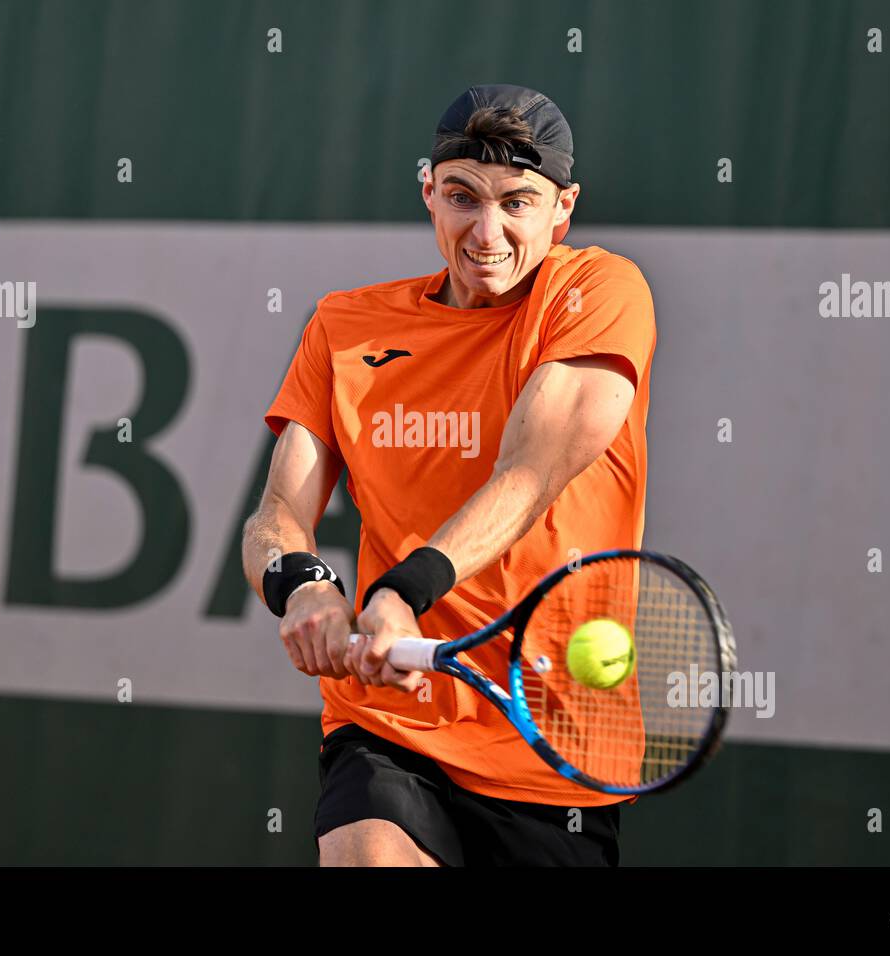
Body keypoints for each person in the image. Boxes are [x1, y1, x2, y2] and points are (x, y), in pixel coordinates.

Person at [243, 83, 656, 866]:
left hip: (554, 745)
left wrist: (400, 593)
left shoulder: (599, 293)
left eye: (518, 203)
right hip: (391, 725)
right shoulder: (345, 325)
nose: (486, 230)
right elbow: (276, 514)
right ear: (428, 192)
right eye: (463, 197)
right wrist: (301, 584)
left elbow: (529, 476)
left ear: (562, 209)